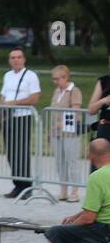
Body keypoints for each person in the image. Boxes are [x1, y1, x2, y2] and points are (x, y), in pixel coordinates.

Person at [40, 138, 110, 243]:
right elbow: (102, 205)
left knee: (55, 233)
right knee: (69, 235)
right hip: (104, 226)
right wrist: (76, 216)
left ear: (90, 157)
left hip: (104, 229)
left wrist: (73, 224)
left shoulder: (97, 177)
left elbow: (89, 218)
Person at [0, 49, 41, 197]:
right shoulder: (7, 76)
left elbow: (35, 98)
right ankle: (17, 184)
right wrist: (0, 117)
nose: (16, 60)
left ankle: (25, 186)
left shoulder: (31, 76)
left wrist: (15, 103)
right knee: (11, 152)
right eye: (13, 58)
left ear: (24, 59)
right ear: (9, 60)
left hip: (23, 116)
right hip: (8, 118)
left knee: (21, 152)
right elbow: (3, 98)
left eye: (18, 57)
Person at [49, 64, 84, 202]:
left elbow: (76, 111)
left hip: (70, 132)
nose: (55, 82)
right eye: (53, 79)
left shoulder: (74, 90)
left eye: (57, 79)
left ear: (65, 77)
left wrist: (61, 124)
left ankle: (74, 191)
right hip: (56, 132)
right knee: (60, 162)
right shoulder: (57, 91)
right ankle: (63, 189)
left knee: (72, 161)